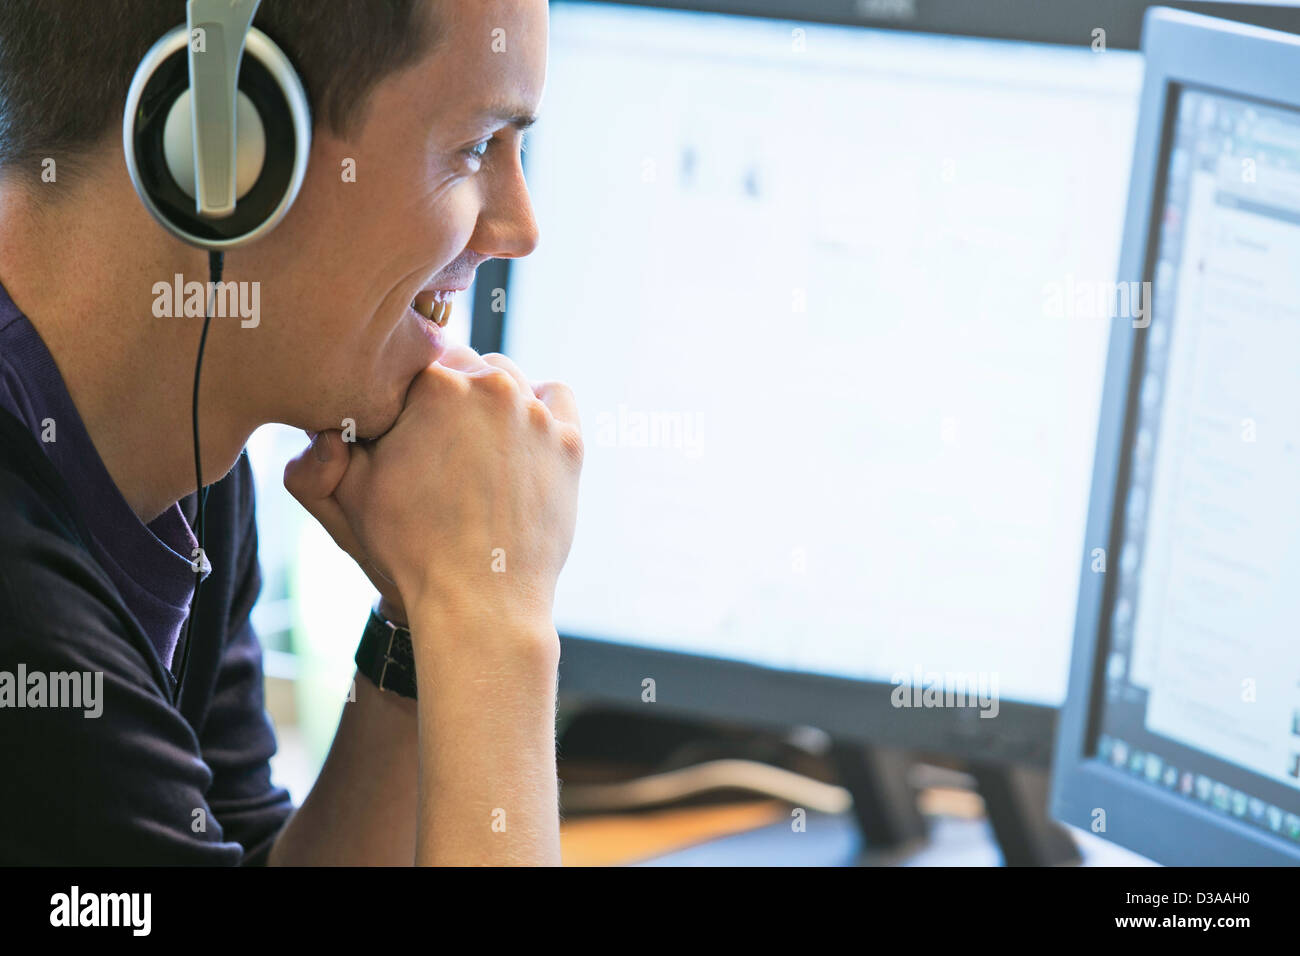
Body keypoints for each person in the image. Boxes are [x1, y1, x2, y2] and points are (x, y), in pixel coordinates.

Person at [0, 0, 580, 865]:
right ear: (223, 147)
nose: (519, 229)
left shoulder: (178, 424)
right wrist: (493, 618)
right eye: (475, 148)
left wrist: (422, 621)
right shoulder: (25, 614)